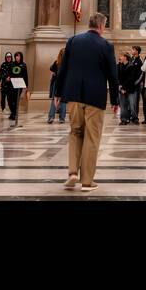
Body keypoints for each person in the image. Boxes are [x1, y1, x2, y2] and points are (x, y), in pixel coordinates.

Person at [53, 12, 118, 192]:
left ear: (89, 24)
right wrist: (115, 100)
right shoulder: (106, 45)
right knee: (92, 137)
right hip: (95, 97)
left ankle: (72, 172)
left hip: (72, 95)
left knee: (75, 132)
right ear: (102, 26)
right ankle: (87, 181)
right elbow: (113, 76)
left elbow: (62, 69)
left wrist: (58, 93)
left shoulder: (73, 41)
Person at [5, 50, 28, 122]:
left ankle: (14, 114)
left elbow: (25, 75)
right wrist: (7, 77)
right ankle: (13, 112)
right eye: (16, 56)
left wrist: (26, 85)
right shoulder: (12, 64)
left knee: (16, 100)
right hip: (11, 84)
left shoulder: (24, 65)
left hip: (19, 85)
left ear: (21, 57)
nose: (17, 57)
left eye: (18, 56)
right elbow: (8, 73)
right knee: (9, 100)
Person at [117, 52, 138, 124]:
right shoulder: (119, 66)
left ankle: (135, 118)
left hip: (131, 89)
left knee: (132, 105)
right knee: (123, 105)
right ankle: (124, 119)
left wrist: (124, 88)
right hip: (122, 89)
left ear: (125, 57)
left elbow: (131, 79)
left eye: (121, 56)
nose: (120, 58)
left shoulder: (131, 66)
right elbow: (118, 78)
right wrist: (121, 88)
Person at [48, 50, 68, 124]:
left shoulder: (57, 63)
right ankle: (62, 118)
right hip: (64, 84)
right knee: (63, 101)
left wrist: (54, 73)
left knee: (54, 100)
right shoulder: (67, 63)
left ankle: (51, 117)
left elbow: (51, 69)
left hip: (57, 83)